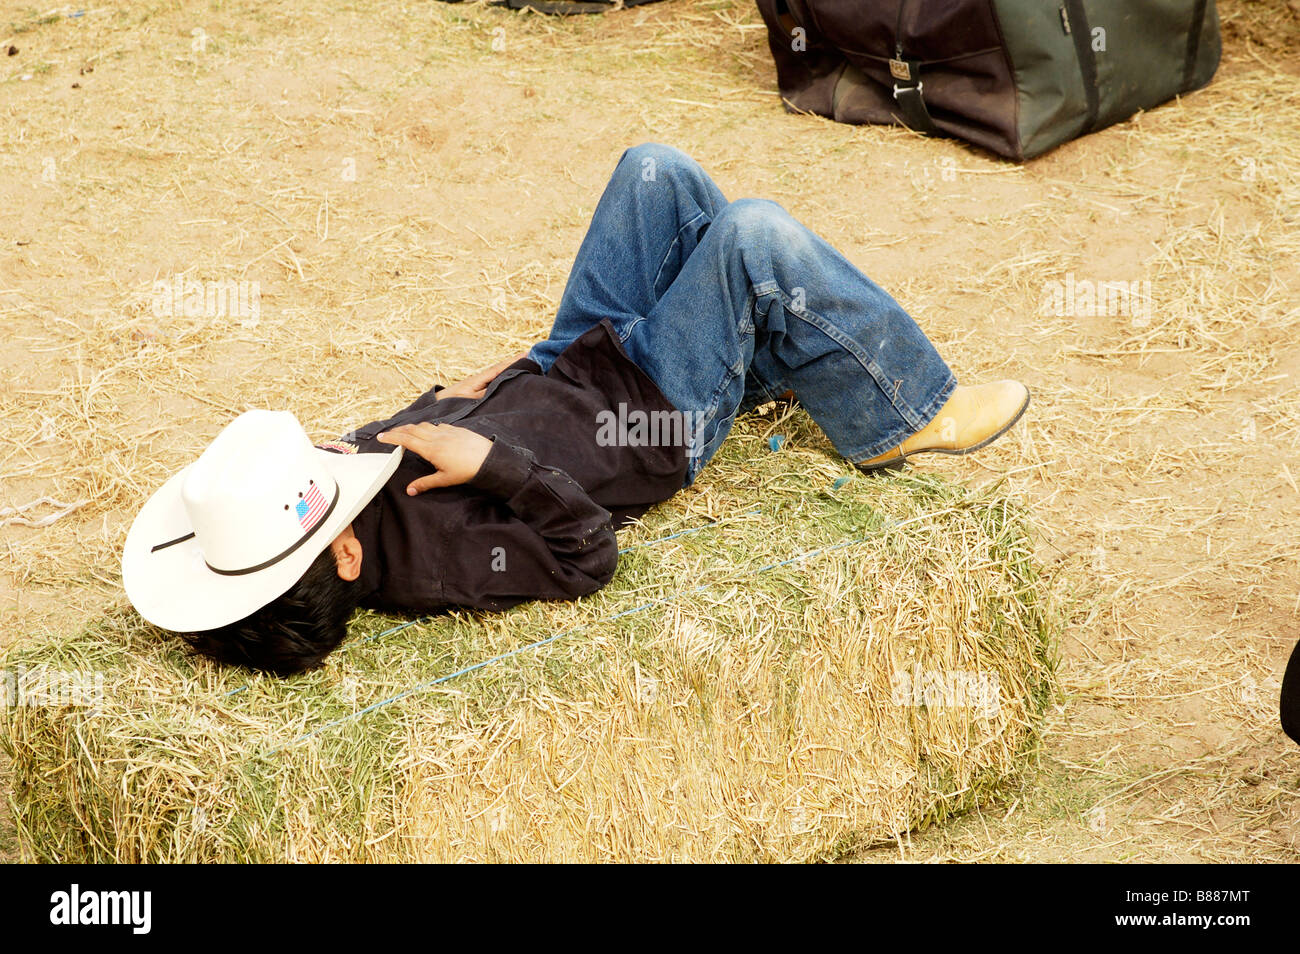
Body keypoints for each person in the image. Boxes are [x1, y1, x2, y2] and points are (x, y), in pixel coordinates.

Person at [121, 144, 1029, 676]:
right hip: (650, 413)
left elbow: (382, 442)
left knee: (653, 172)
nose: (327, 463)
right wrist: (496, 466)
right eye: (317, 483)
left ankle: (760, 347)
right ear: (346, 552)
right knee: (753, 234)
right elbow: (589, 555)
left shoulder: (340, 516)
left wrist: (456, 402)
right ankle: (897, 415)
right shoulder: (447, 567)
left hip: (569, 362)